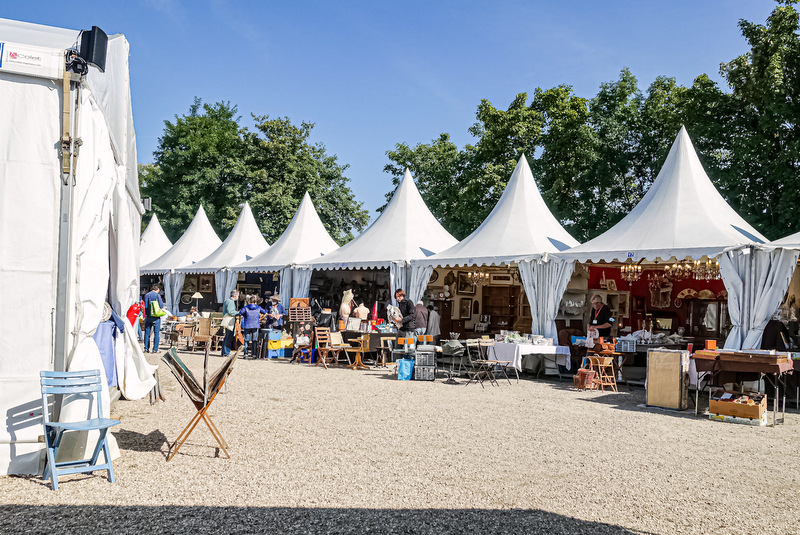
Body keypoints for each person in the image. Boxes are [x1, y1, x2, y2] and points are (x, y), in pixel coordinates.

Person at [239, 295, 266, 359]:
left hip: (247, 325)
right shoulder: (258, 307)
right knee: (255, 340)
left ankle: (245, 354)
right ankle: (254, 355)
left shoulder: (246, 307)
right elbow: (264, 312)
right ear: (255, 301)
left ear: (249, 301)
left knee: (246, 341)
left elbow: (240, 313)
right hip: (255, 325)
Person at [143, 283, 164, 353]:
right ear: (157, 289)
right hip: (156, 317)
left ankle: (146, 348)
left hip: (148, 316)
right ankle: (155, 349)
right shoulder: (157, 295)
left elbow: (145, 306)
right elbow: (161, 305)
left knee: (147, 333)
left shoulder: (147, 295)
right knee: (156, 333)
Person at [221, 289, 239, 357]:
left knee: (227, 336)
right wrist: (238, 313)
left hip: (226, 319)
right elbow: (230, 311)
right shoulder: (231, 302)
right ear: (235, 295)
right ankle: (226, 352)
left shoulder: (227, 300)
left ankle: (224, 352)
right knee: (229, 336)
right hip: (229, 320)